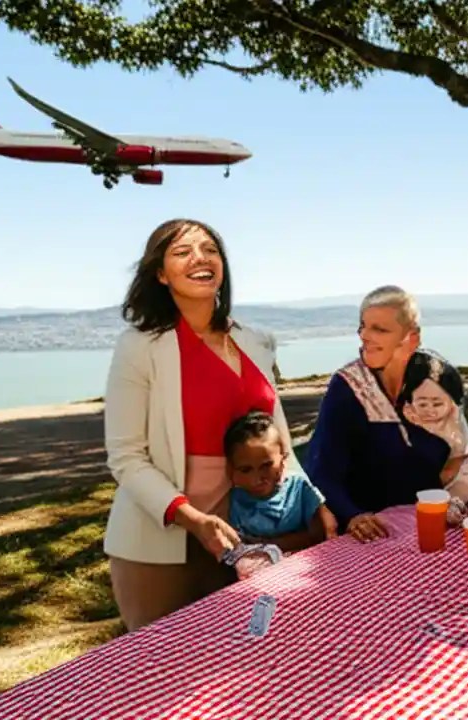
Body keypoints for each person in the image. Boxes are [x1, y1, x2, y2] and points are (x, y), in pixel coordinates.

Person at [101, 218, 317, 631]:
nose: (200, 258)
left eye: (210, 249)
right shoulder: (139, 346)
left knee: (244, 660)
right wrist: (193, 520)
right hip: (159, 541)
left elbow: (279, 440)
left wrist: (314, 502)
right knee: (161, 670)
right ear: (160, 274)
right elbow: (126, 457)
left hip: (248, 536)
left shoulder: (254, 340)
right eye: (182, 252)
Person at [305, 286, 468, 542]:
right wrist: (353, 515)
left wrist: (454, 501)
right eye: (363, 326)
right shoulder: (346, 388)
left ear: (411, 338)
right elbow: (322, 470)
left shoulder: (435, 380)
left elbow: (464, 453)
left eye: (379, 329)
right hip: (371, 532)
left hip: (435, 523)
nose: (364, 336)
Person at [225, 410, 334, 553]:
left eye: (266, 466)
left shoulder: (299, 489)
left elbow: (322, 533)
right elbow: (241, 547)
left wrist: (271, 544)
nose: (257, 479)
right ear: (231, 470)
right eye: (246, 470)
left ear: (283, 458)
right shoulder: (237, 500)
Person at [397, 350, 468, 524]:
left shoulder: (460, 439)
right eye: (423, 404)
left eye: (437, 404)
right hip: (397, 507)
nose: (430, 410)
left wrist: (455, 448)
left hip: (440, 498)